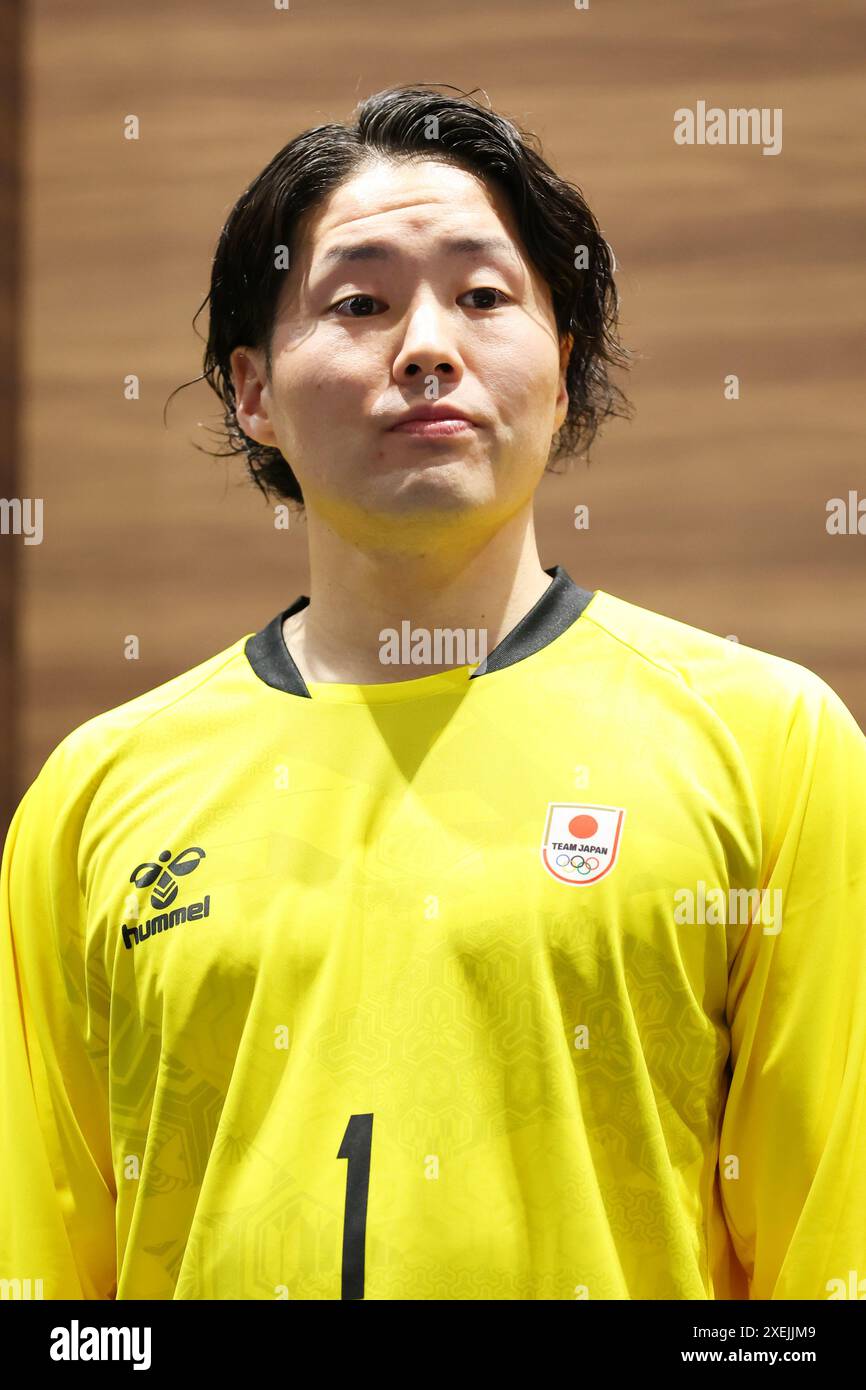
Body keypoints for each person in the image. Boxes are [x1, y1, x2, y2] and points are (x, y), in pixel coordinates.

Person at [1, 83, 864, 1302]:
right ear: (252, 392)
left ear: (560, 371)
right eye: (357, 302)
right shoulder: (93, 796)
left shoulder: (773, 745)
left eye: (481, 295)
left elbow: (828, 1267)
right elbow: (48, 1290)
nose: (425, 345)